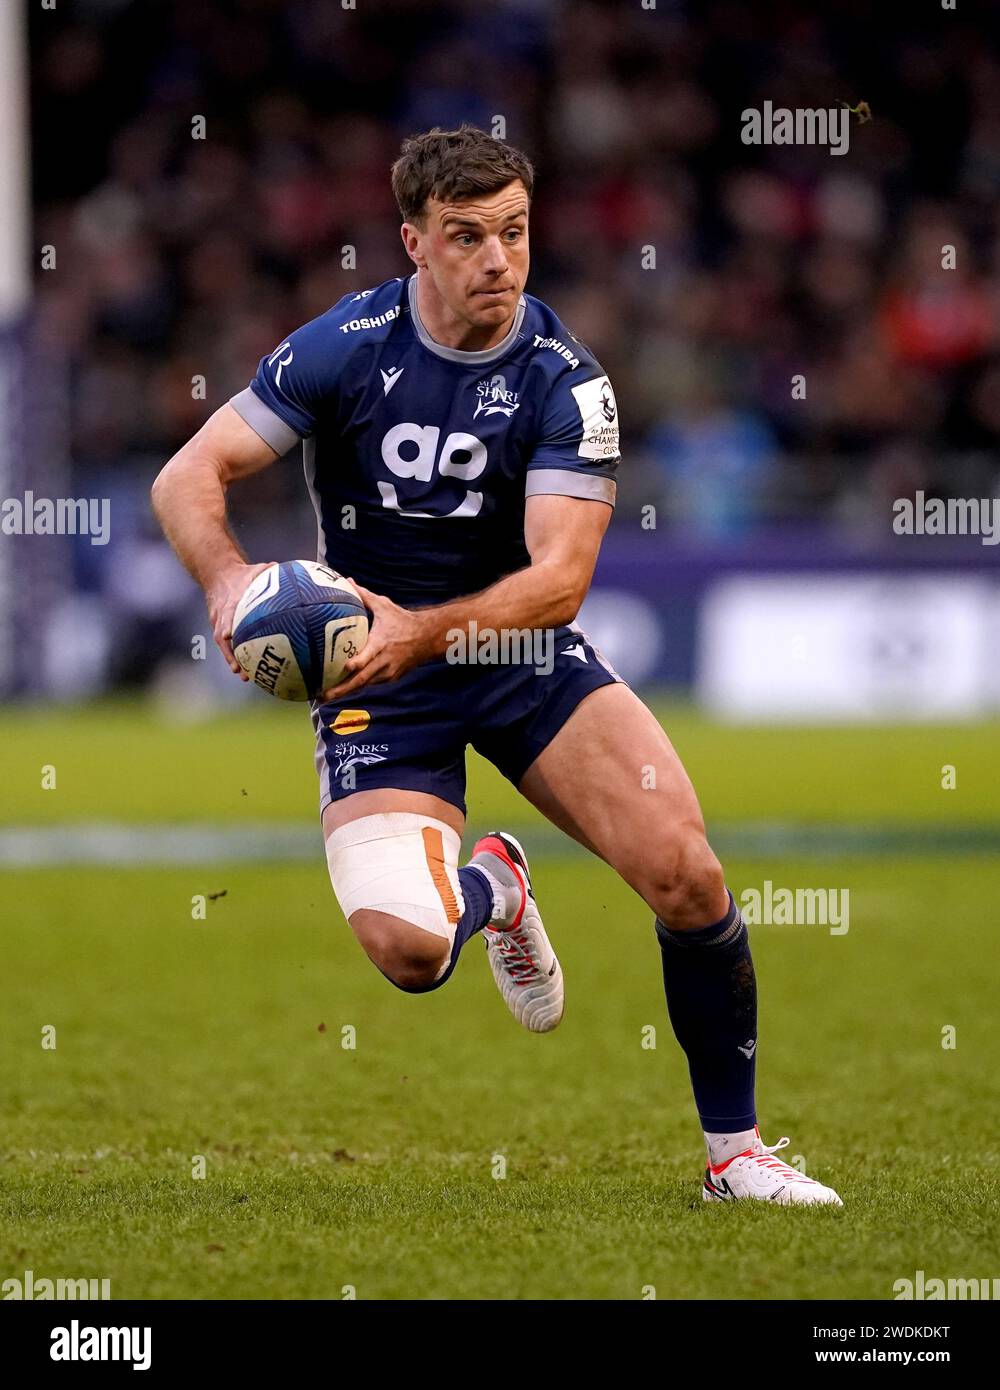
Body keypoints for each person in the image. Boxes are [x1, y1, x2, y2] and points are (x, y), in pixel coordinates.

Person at [152, 125, 841, 1206]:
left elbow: (559, 581)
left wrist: (418, 631)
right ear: (414, 244)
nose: (498, 261)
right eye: (467, 237)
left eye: (514, 233)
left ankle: (734, 1155)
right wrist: (228, 585)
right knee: (409, 951)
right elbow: (188, 476)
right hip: (376, 685)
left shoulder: (566, 380)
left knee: (686, 874)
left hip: (517, 651)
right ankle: (496, 889)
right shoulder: (344, 344)